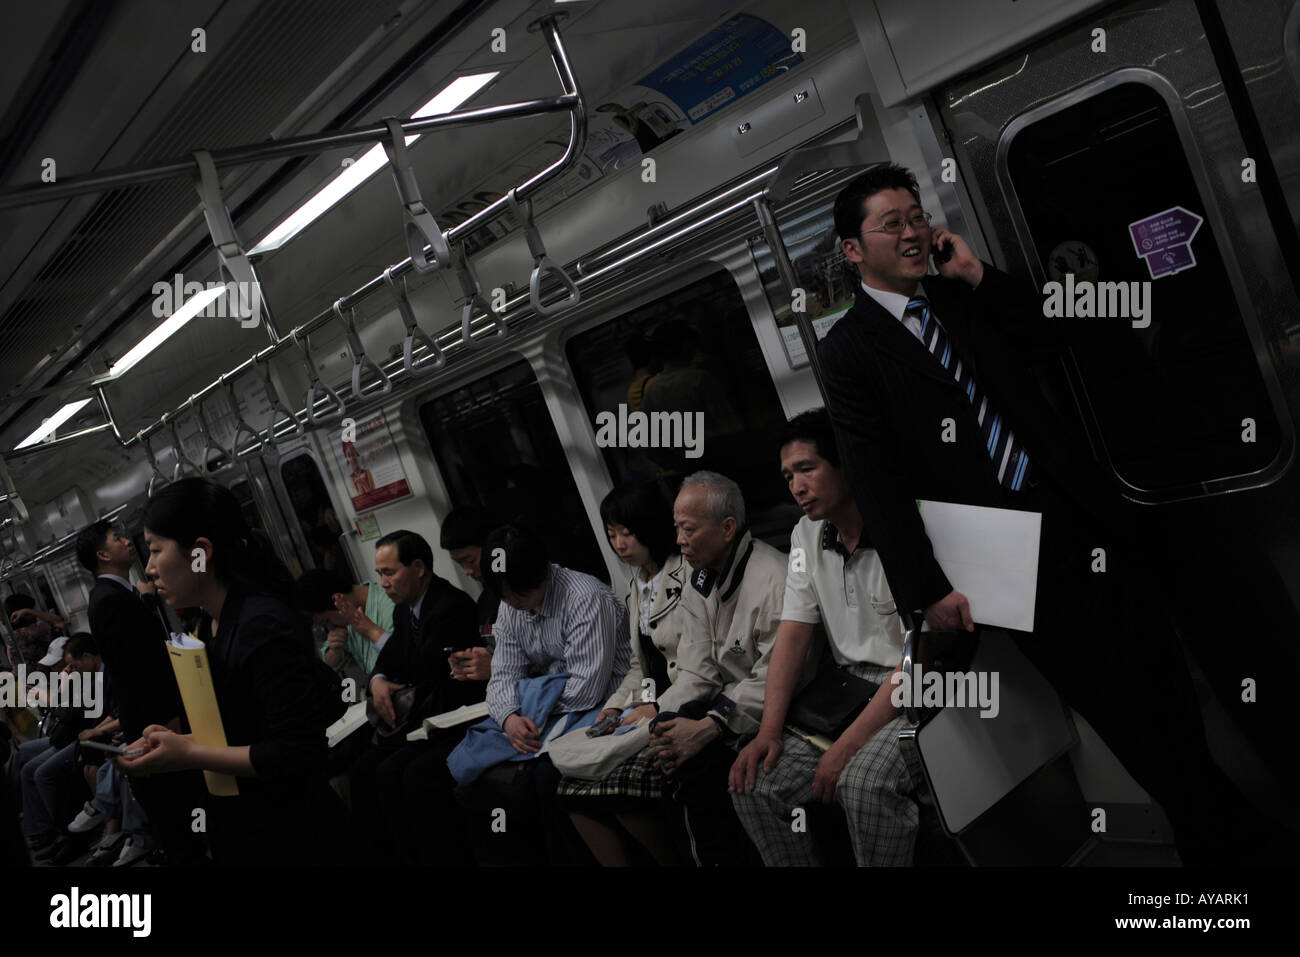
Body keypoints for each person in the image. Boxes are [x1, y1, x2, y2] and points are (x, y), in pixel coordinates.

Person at [816, 163, 1268, 864]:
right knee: (1123, 713)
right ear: (853, 250)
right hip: (1003, 557)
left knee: (1167, 690)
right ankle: (1235, 844)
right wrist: (925, 587)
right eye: (892, 222)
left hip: (1083, 519)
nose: (912, 232)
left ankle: (1222, 844)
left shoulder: (958, 298)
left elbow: (1054, 336)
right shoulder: (848, 351)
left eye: (915, 215)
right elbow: (875, 476)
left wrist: (978, 275)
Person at [118, 478, 349, 866]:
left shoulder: (260, 623)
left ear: (200, 553)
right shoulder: (208, 625)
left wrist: (191, 753)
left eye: (156, 551)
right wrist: (178, 744)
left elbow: (294, 752)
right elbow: (244, 730)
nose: (151, 569)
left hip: (291, 832)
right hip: (248, 824)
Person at [730, 410, 915, 865]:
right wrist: (768, 731)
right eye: (788, 475)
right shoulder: (805, 535)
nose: (796, 486)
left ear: (845, 463)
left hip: (913, 684)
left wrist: (846, 747)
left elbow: (922, 658)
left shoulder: (901, 527)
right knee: (755, 783)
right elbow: (792, 635)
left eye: (807, 469)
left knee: (861, 783)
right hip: (850, 686)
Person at [455, 522, 630, 865]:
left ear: (545, 572)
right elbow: (502, 675)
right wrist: (508, 718)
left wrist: (528, 705)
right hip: (546, 713)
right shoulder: (510, 604)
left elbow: (586, 690)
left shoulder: (585, 597)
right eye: (504, 596)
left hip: (607, 705)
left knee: (544, 779)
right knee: (476, 779)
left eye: (520, 595)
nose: (513, 605)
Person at [648, 471, 786, 866]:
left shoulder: (773, 579)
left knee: (694, 771)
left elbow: (775, 678)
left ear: (727, 529)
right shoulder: (699, 575)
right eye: (676, 528)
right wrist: (665, 717)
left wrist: (710, 725)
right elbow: (699, 666)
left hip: (772, 713)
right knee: (668, 749)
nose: (678, 540)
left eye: (688, 529)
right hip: (726, 703)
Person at [558, 481, 692, 866]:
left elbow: (697, 668)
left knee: (618, 787)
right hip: (649, 702)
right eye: (611, 534)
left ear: (650, 526)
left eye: (627, 533)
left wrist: (655, 707)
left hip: (684, 701)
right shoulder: (637, 585)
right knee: (570, 788)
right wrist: (616, 707)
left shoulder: (685, 576)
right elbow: (640, 666)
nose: (619, 544)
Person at [346, 530, 482, 864]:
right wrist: (377, 680)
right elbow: (393, 663)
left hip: (459, 715)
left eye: (389, 572)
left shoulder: (450, 606)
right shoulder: (405, 611)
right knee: (363, 769)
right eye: (379, 574)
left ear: (418, 568)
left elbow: (424, 667)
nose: (383, 583)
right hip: (426, 717)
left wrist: (373, 633)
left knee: (407, 775)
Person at [75, 518, 205, 864]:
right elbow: (137, 668)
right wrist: (169, 718)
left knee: (180, 804)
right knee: (177, 806)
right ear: (103, 554)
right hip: (154, 718)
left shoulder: (118, 594)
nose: (127, 542)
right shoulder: (109, 599)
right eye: (117, 539)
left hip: (154, 714)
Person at [293, 567, 396, 679]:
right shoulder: (345, 622)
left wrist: (370, 630)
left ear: (337, 600)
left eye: (327, 621)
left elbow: (400, 657)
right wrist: (334, 651)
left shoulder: (390, 605)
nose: (330, 628)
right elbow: (327, 665)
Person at [439, 505, 500, 682]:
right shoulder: (485, 603)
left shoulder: (530, 593)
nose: (467, 571)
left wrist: (498, 666)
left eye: (470, 560)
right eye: (460, 564)